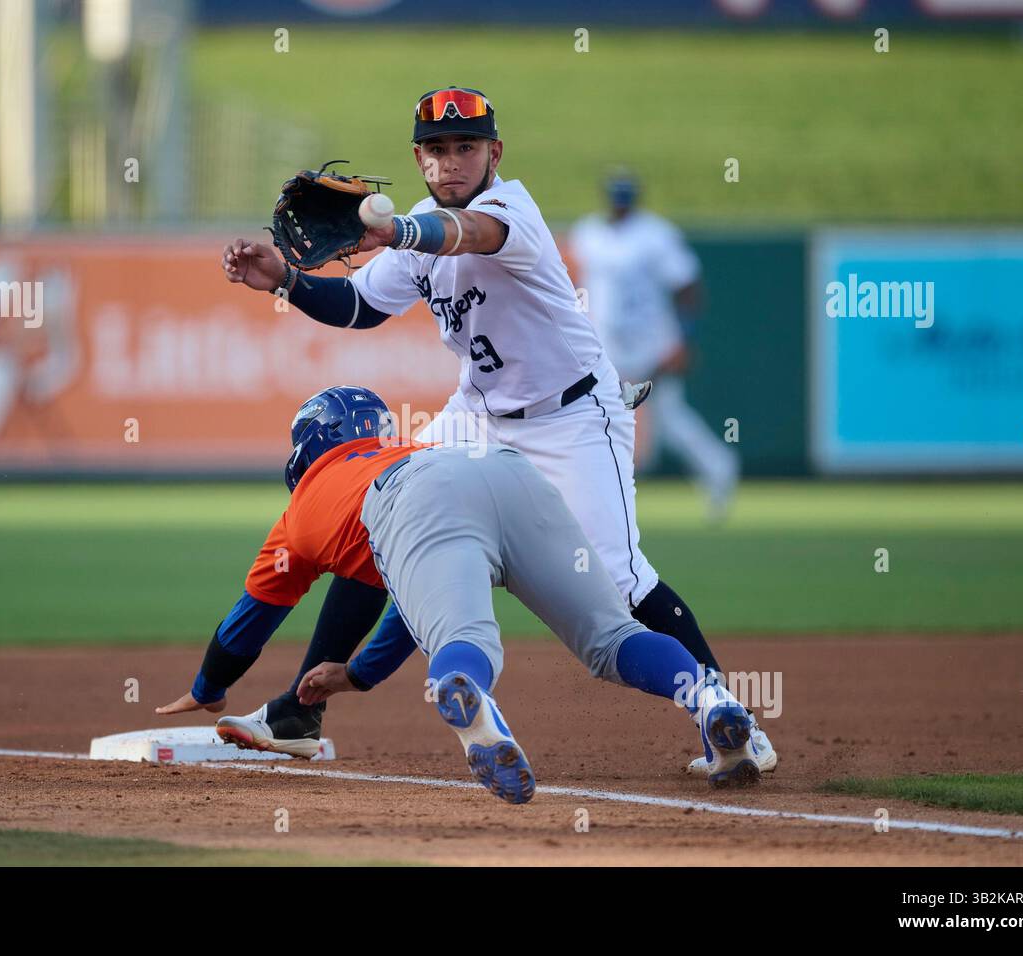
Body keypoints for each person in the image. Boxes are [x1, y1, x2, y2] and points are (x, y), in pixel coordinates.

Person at [214, 86, 775, 777]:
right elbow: (360, 305)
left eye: (466, 147)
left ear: (493, 153)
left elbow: (469, 236)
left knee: (620, 583)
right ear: (418, 158)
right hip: (479, 415)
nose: (451, 162)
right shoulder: (417, 224)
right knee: (386, 507)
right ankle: (299, 713)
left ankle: (731, 723)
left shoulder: (509, 208)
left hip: (572, 416)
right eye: (438, 149)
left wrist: (396, 233)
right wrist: (286, 281)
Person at [156, 386, 767, 802]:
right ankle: (711, 702)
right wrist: (358, 675)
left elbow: (247, 626)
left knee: (465, 641)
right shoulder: (405, 443)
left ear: (309, 447)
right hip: (505, 469)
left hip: (414, 500)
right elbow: (401, 611)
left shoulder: (303, 510)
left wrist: (208, 689)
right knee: (613, 638)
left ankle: (480, 718)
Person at [570, 171, 739, 520]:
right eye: (616, 196)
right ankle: (591, 497)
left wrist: (684, 340)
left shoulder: (656, 234)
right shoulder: (587, 233)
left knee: (671, 418)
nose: (620, 203)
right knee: (592, 413)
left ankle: (720, 470)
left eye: (624, 196)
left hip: (652, 342)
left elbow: (688, 287)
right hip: (606, 343)